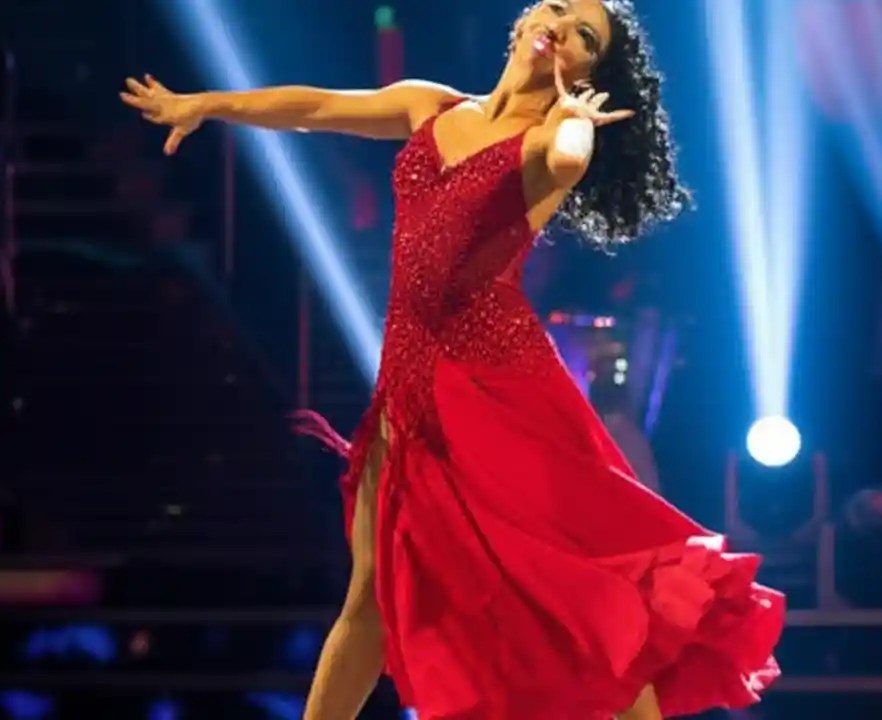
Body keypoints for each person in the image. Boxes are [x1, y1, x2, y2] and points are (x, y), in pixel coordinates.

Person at [120, 2, 784, 718]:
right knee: (370, 595)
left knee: (577, 580)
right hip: (408, 386)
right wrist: (209, 103)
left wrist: (576, 126)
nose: (559, 26)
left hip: (496, 384)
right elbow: (316, 106)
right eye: (558, 6)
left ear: (591, 68)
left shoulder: (550, 137)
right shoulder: (430, 107)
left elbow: (566, 161)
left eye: (584, 35)